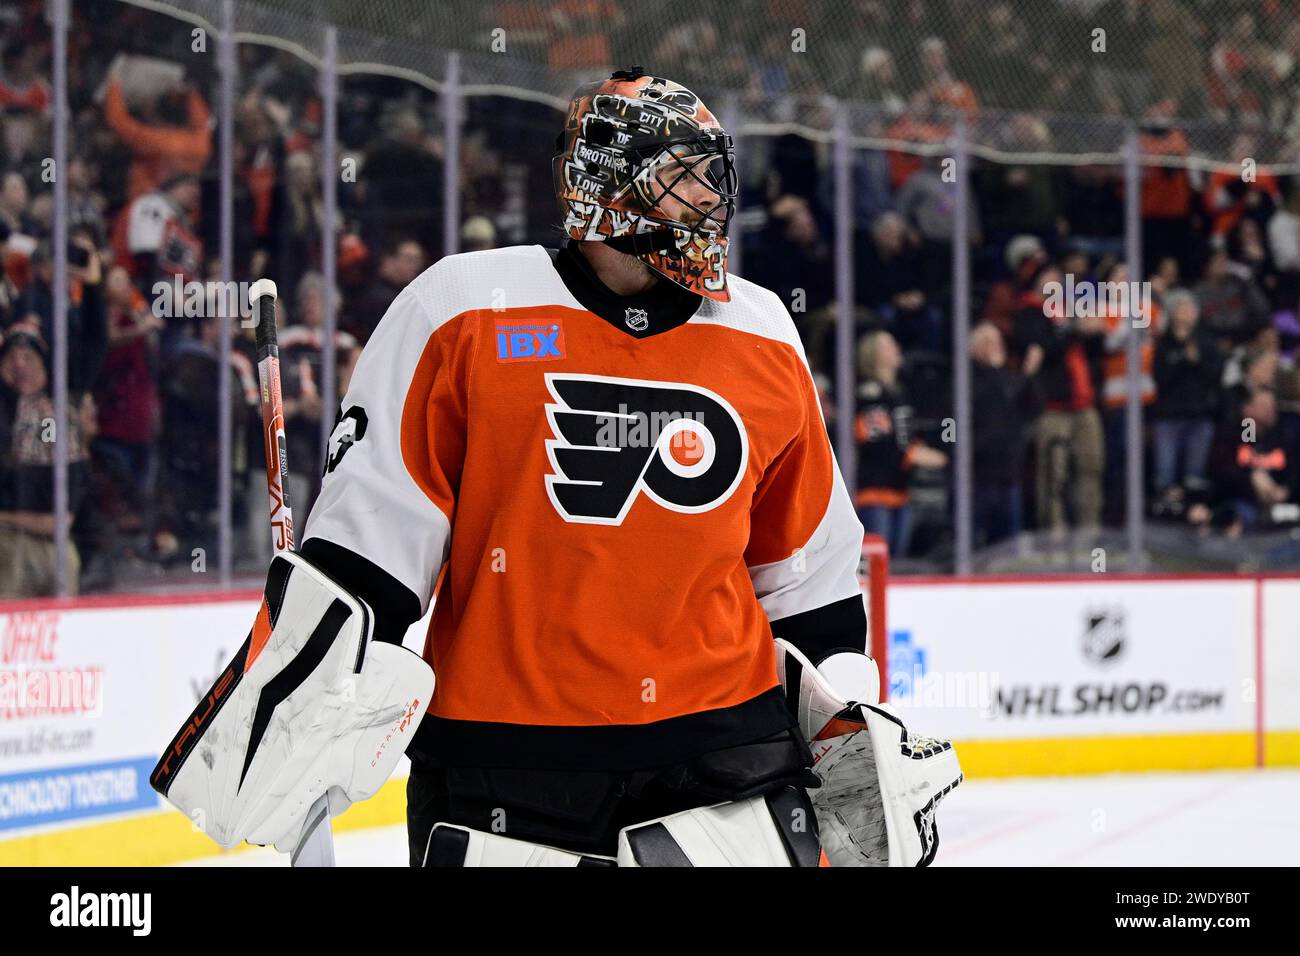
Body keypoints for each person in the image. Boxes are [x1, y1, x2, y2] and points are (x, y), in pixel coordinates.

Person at [157, 69, 958, 868]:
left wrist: (847, 726)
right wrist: (308, 693)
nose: (710, 197)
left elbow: (807, 578)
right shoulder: (465, 311)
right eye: (681, 174)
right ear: (604, 185)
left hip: (728, 764)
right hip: (508, 773)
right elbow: (372, 555)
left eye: (713, 172)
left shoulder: (761, 329)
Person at [852, 329, 947, 558]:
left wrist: (917, 451)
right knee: (878, 566)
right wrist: (913, 456)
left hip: (900, 492)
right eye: (888, 345)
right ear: (872, 355)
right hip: (874, 494)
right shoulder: (869, 395)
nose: (896, 349)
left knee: (897, 566)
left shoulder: (899, 393)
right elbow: (876, 444)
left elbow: (904, 438)